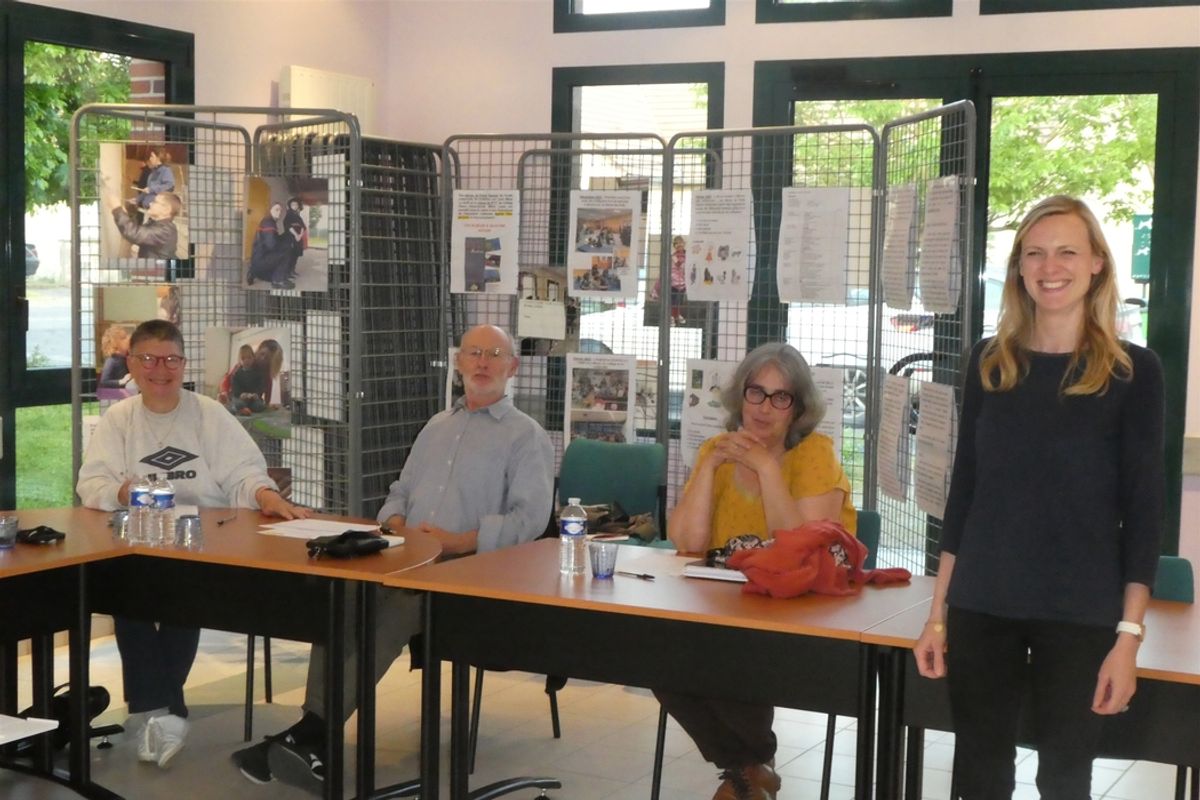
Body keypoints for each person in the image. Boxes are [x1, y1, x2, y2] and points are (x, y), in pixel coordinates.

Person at [912, 196, 1165, 799]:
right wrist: (937, 613)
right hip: (983, 605)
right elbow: (965, 492)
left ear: (1099, 263)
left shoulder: (1135, 372)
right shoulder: (988, 362)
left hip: (1082, 613)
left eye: (1067, 251)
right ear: (1019, 269)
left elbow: (1146, 510)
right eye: (1034, 253)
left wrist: (1128, 637)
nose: (1050, 266)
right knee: (978, 773)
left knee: (1065, 778)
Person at [233, 324, 554, 791]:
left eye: (495, 354)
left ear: (513, 367)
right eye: (474, 353)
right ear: (460, 363)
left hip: (470, 574)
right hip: (406, 558)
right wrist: (397, 524)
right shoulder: (436, 426)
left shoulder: (528, 438)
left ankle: (313, 735)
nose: (483, 363)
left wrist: (459, 542)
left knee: (402, 603)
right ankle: (312, 734)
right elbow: (398, 492)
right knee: (340, 595)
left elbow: (530, 520)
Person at [76, 319, 310, 770]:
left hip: (205, 542)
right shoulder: (119, 419)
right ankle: (163, 711)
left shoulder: (208, 413)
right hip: (139, 543)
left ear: (184, 365)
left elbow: (244, 472)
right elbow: (93, 483)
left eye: (171, 360)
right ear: (131, 363)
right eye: (148, 359)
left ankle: (157, 711)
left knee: (182, 590)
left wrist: (266, 496)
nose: (160, 369)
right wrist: (123, 492)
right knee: (129, 594)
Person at [660, 342, 857, 800]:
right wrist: (709, 465)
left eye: (780, 397)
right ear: (739, 397)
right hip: (726, 603)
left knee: (731, 655)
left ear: (798, 408)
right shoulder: (717, 447)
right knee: (660, 654)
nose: (765, 408)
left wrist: (768, 468)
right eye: (756, 393)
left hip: (801, 612)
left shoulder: (814, 454)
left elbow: (800, 549)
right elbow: (687, 543)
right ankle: (750, 769)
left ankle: (748, 769)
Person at [112, 191, 181, 260]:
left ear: (166, 210)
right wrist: (130, 208)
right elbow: (138, 231)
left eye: (155, 202)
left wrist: (117, 208)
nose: (150, 204)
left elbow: (133, 233)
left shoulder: (165, 231)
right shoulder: (156, 223)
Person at [248, 201, 301, 289]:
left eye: (280, 210)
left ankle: (254, 271)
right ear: (270, 210)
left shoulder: (268, 221)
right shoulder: (269, 223)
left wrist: (288, 236)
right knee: (287, 251)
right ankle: (278, 280)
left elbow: (272, 240)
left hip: (258, 258)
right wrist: (286, 247)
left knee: (288, 236)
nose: (279, 212)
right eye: (276, 210)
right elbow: (271, 245)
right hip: (262, 259)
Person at [223, 343, 266, 415]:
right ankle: (236, 407)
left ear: (253, 358)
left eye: (249, 357)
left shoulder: (257, 372)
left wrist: (257, 394)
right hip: (240, 398)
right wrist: (241, 394)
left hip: (253, 399)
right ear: (240, 360)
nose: (246, 360)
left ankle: (246, 408)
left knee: (259, 406)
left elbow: (260, 386)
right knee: (239, 404)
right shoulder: (237, 374)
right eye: (243, 358)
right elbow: (235, 388)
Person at [132, 146, 175, 211]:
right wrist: (137, 199)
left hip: (158, 210)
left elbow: (169, 186)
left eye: (152, 156)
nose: (150, 158)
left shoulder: (166, 170)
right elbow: (148, 190)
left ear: (158, 158)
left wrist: (152, 189)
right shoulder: (152, 172)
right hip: (149, 209)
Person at [98, 324, 134, 397]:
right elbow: (104, 382)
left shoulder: (125, 358)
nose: (128, 339)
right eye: (124, 338)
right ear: (115, 344)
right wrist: (121, 381)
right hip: (117, 397)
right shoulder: (112, 361)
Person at [283, 196, 308, 280]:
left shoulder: (297, 216)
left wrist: (300, 235)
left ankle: (292, 270)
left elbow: (303, 226)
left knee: (296, 255)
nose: (295, 206)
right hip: (290, 238)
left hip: (298, 239)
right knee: (290, 256)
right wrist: (296, 235)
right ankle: (287, 273)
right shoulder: (289, 214)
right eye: (293, 204)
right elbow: (288, 225)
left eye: (296, 204)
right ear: (290, 205)